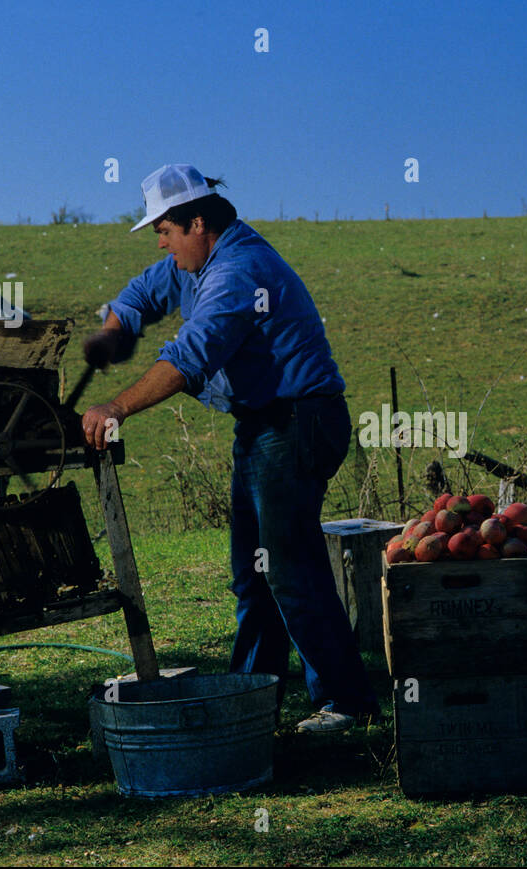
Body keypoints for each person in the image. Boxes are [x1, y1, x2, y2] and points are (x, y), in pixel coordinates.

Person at [81, 163, 379, 732]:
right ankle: (251, 700)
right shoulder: (193, 264)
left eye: (165, 231)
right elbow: (144, 293)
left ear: (198, 222)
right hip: (265, 426)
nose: (162, 244)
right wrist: (114, 331)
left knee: (289, 566)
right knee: (254, 572)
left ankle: (347, 703)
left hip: (298, 422)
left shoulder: (239, 272)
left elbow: (190, 357)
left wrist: (115, 408)